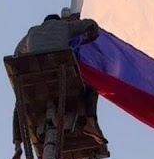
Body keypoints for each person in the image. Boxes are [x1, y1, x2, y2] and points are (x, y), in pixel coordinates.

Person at [14, 11, 105, 146]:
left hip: (36, 82)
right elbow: (91, 24)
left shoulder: (32, 31)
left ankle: (17, 145)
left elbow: (17, 54)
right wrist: (88, 39)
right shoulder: (65, 26)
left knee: (19, 104)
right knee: (91, 90)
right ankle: (90, 123)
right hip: (62, 77)